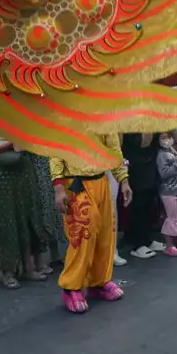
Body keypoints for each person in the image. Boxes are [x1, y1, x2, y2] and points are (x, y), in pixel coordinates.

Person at [51, 134, 132, 314]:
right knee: (82, 235)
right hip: (76, 183)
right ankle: (71, 287)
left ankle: (99, 281)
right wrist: (58, 187)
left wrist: (123, 180)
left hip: (101, 181)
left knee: (105, 233)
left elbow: (114, 149)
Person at [0, 130, 53, 287]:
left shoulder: (20, 115)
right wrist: (12, 144)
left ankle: (29, 267)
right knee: (7, 217)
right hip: (4, 173)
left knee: (28, 215)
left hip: (24, 169)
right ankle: (8, 271)